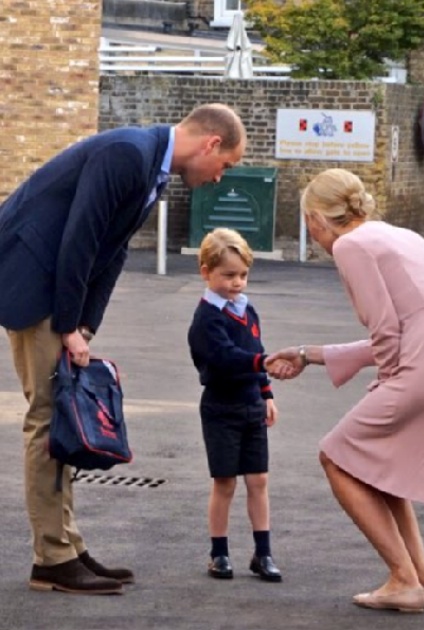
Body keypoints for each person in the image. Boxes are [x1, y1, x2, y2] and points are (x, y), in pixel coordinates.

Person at [0, 103, 245, 594]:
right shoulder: (128, 154)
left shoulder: (150, 165)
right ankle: (51, 557)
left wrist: (85, 325)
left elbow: (110, 255)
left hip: (55, 289)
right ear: (211, 143)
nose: (221, 177)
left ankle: (67, 546)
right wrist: (68, 323)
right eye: (226, 165)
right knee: (49, 419)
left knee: (65, 414)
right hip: (33, 282)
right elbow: (79, 240)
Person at [266, 168, 424, 613]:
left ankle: (405, 578)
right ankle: (423, 581)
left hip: (422, 368)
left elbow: (385, 330)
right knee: (381, 469)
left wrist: (388, 382)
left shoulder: (351, 246)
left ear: (315, 219)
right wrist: (309, 354)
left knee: (335, 455)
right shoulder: (402, 236)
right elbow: (414, 326)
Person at [186, 228, 282, 582]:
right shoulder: (206, 319)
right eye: (228, 275)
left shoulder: (246, 310)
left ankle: (263, 552)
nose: (237, 283)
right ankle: (219, 553)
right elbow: (226, 357)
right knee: (225, 482)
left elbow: (256, 349)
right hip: (221, 407)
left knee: (258, 479)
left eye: (242, 275)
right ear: (206, 272)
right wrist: (263, 364)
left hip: (252, 404)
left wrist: (267, 392)